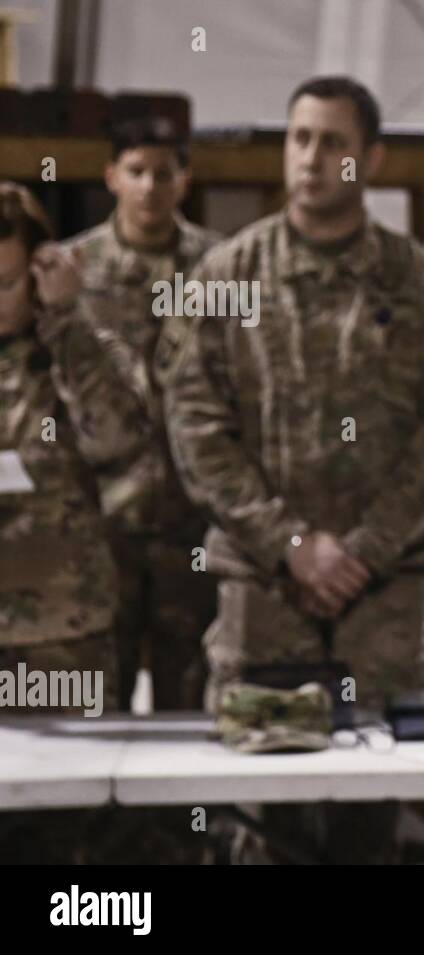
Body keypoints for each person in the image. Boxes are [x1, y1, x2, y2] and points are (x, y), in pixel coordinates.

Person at [160, 76, 424, 864]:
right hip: (265, 597)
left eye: (333, 141)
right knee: (257, 824)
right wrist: (291, 543)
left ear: (369, 158)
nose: (311, 158)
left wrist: (369, 546)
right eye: (299, 138)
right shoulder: (223, 280)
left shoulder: (419, 284)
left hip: (382, 601)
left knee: (367, 825)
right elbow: (196, 428)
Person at [0, 182, 149, 862]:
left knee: (67, 831)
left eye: (4, 283)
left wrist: (66, 324)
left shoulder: (79, 345)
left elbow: (120, 435)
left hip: (61, 637)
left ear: (39, 273)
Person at [65, 116, 223, 712]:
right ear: (111, 177)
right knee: (99, 699)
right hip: (100, 522)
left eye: (164, 173)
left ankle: (181, 813)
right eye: (136, 172)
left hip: (192, 522)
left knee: (186, 704)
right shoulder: (72, 270)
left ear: (184, 181)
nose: (150, 186)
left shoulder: (219, 269)